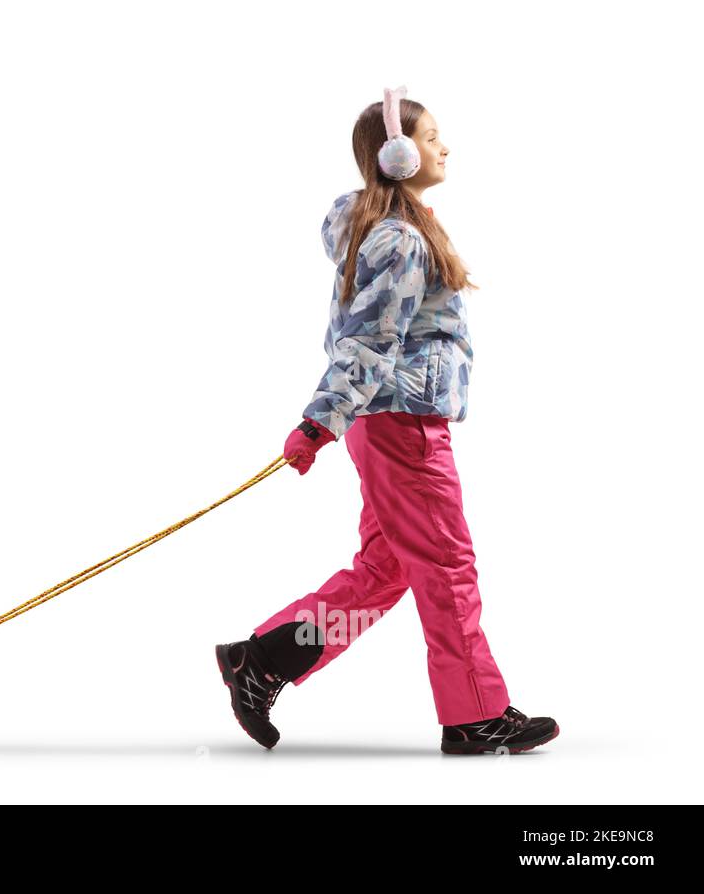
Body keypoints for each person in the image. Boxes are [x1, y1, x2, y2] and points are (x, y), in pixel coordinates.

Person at [214, 87, 559, 755]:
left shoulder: (400, 230)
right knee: (446, 566)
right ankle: (474, 715)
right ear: (398, 155)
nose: (444, 146)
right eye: (432, 137)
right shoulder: (400, 239)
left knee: (387, 569)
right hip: (403, 422)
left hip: (388, 421)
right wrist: (318, 423)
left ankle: (265, 660)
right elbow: (368, 339)